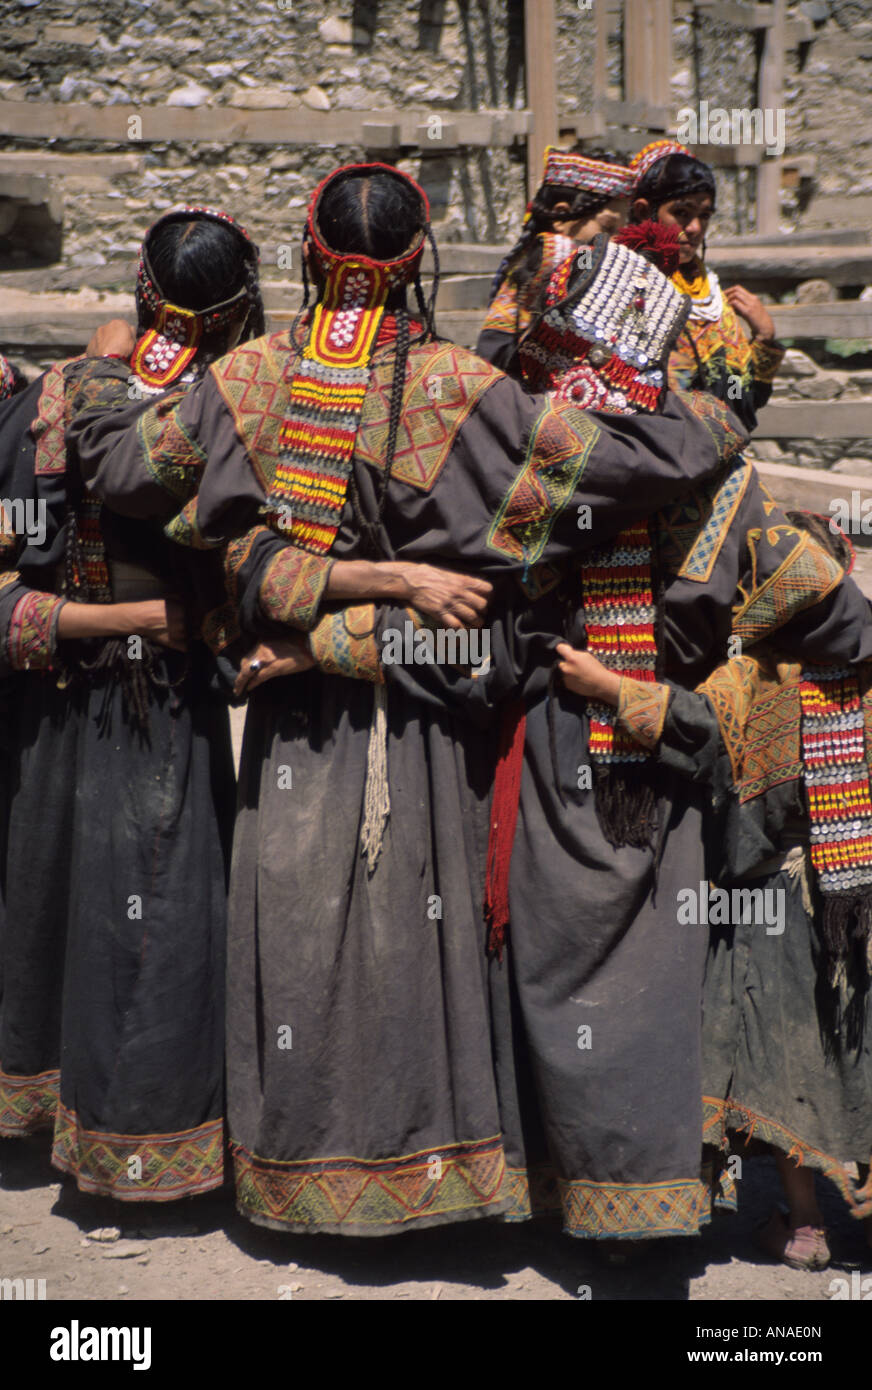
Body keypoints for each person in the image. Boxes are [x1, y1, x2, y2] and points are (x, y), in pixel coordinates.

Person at [63, 162, 746, 1236]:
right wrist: (710, 418)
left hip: (295, 712)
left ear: (310, 255)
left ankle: (294, 1172)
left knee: (296, 921)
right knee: (412, 927)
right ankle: (430, 1171)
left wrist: (104, 371)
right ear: (416, 261)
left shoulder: (247, 379)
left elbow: (125, 469)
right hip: (424, 706)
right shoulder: (459, 388)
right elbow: (599, 469)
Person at [0, 207, 256, 1202]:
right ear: (234, 311)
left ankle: (43, 1121)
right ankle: (141, 1150)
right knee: (151, 928)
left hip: (51, 716)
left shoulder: (54, 398)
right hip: (154, 713)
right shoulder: (235, 410)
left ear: (141, 290)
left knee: (59, 910)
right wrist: (142, 617)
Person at [629, 139, 785, 430]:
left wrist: (764, 338)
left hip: (715, 453)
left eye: (704, 216)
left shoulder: (712, 296)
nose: (695, 229)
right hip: (655, 455)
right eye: (682, 213)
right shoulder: (628, 287)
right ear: (643, 212)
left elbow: (741, 400)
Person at [478, 146, 634, 374]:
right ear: (561, 217)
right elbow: (495, 353)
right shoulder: (552, 258)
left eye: (622, 230)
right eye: (608, 228)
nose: (617, 242)